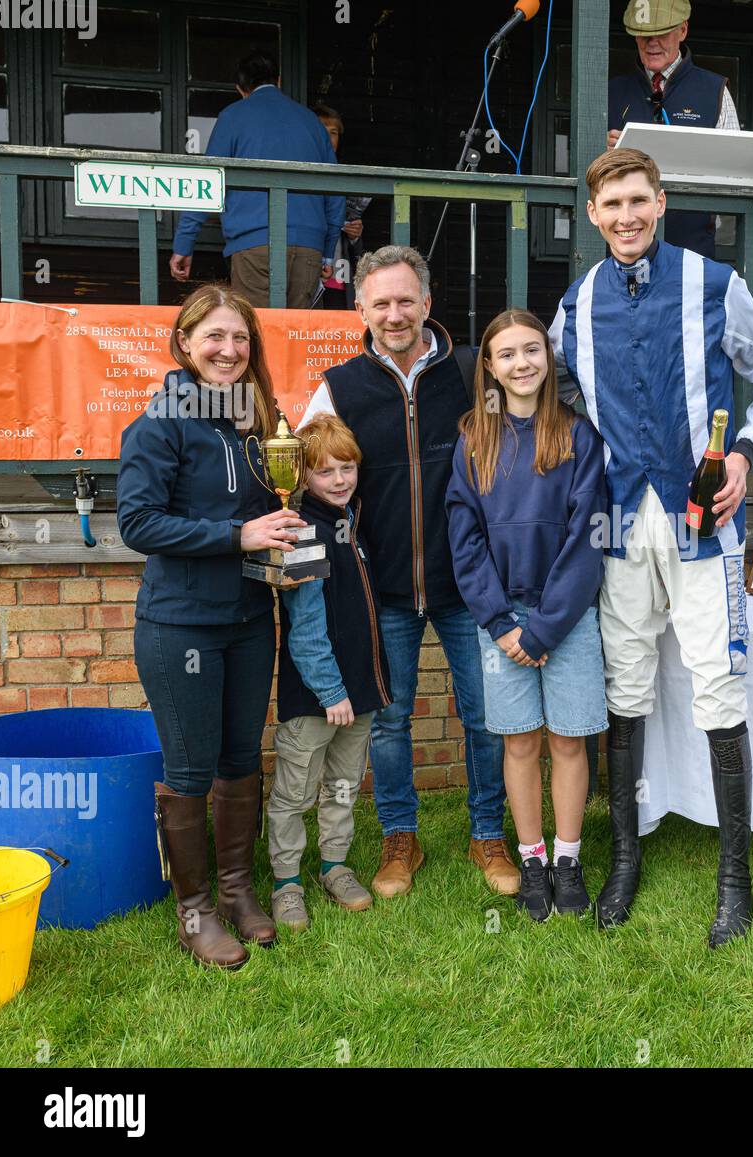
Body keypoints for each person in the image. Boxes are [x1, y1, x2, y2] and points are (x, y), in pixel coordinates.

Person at [550, 148, 753, 947]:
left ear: (660, 202)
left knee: (719, 687)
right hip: (619, 520)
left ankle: (736, 878)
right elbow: (553, 395)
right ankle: (624, 857)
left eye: (637, 200)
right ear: (593, 216)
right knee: (626, 688)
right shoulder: (575, 304)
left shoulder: (713, 282)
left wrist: (745, 454)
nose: (624, 216)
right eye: (609, 205)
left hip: (702, 517)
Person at [299, 245, 519, 899]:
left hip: (468, 585)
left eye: (405, 300)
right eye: (380, 302)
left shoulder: (473, 372)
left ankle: (489, 834)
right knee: (390, 723)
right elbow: (308, 480)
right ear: (360, 308)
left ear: (427, 303)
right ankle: (401, 837)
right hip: (382, 588)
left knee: (483, 716)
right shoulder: (337, 387)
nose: (394, 314)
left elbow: (515, 458)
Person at [118, 283, 306, 969]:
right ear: (185, 344)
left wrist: (290, 527)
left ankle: (236, 890)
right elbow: (138, 522)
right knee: (190, 769)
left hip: (252, 618)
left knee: (238, 760)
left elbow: (273, 506)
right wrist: (239, 533)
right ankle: (193, 909)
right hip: (181, 625)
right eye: (214, 338)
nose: (229, 350)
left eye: (240, 339)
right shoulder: (158, 423)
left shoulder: (260, 420)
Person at [446, 310, 609, 921]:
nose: (522, 363)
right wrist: (500, 621)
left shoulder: (577, 436)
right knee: (520, 743)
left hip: (565, 619)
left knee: (569, 740)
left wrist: (545, 626)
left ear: (548, 357)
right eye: (507, 354)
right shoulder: (474, 440)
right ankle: (532, 857)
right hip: (502, 622)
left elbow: (587, 538)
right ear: (489, 365)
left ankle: (568, 858)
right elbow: (464, 540)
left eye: (532, 351)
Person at [268, 413, 391, 930]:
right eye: (325, 472)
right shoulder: (302, 531)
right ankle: (286, 881)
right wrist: (331, 690)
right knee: (296, 789)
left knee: (343, 785)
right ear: (303, 477)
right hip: (318, 696)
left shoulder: (352, 524)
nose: (339, 480)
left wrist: (354, 691)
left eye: (347, 468)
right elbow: (306, 628)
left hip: (357, 693)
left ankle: (334, 865)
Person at [170, 52, 345, 308]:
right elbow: (336, 190)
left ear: (240, 89)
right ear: (279, 81)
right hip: (309, 247)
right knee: (294, 339)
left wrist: (184, 243)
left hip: (254, 245)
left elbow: (207, 182)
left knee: (257, 336)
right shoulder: (311, 121)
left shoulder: (233, 116)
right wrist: (328, 253)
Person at [606, 0, 739, 259]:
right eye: (644, 34)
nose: (652, 42)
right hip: (622, 250)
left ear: (683, 30)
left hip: (692, 249)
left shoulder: (715, 90)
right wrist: (601, 154)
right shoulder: (612, 91)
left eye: (662, 32)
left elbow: (734, 172)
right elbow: (590, 177)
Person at [313, 103, 371, 310]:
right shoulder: (300, 174)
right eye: (322, 132)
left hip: (339, 275)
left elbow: (360, 252)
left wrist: (355, 235)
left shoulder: (346, 178)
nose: (329, 138)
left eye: (334, 132)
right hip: (308, 271)